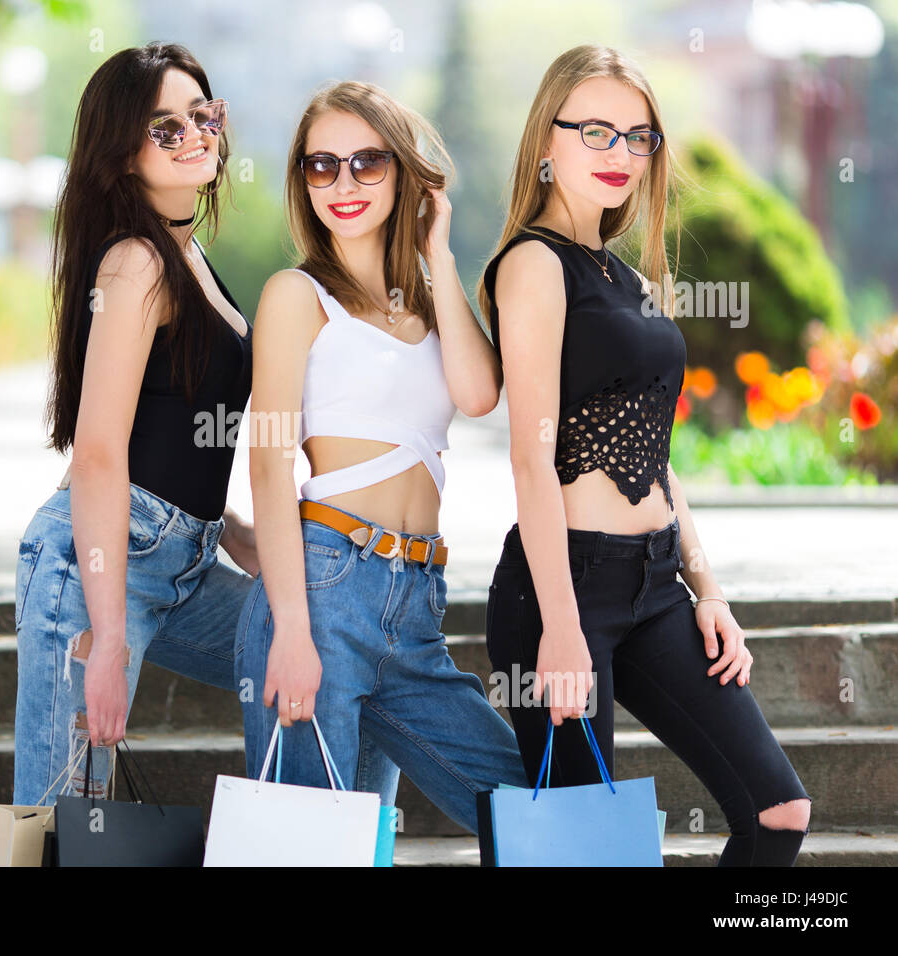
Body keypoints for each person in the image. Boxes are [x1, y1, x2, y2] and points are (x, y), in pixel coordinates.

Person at [480, 44, 811, 865]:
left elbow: (657, 458)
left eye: (638, 137)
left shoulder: (624, 277)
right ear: (546, 142)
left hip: (658, 587)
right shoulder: (532, 264)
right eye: (596, 131)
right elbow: (531, 456)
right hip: (566, 589)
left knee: (780, 812)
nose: (621, 154)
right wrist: (560, 625)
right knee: (584, 850)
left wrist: (709, 591)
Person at [237, 80, 529, 833]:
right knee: (315, 848)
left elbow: (477, 393)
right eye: (321, 166)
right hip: (325, 586)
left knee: (530, 815)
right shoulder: (296, 295)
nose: (344, 183)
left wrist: (437, 250)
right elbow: (269, 467)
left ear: (403, 171)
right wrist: (292, 632)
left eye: (368, 162)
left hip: (416, 601)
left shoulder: (432, 302)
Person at [13, 43, 259, 803]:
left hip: (186, 563)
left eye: (202, 114)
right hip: (94, 567)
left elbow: (180, 448)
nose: (194, 134)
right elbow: (98, 454)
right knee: (63, 815)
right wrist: (109, 639)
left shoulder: (192, 259)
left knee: (329, 648)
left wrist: (271, 554)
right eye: (164, 128)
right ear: (121, 155)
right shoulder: (136, 263)